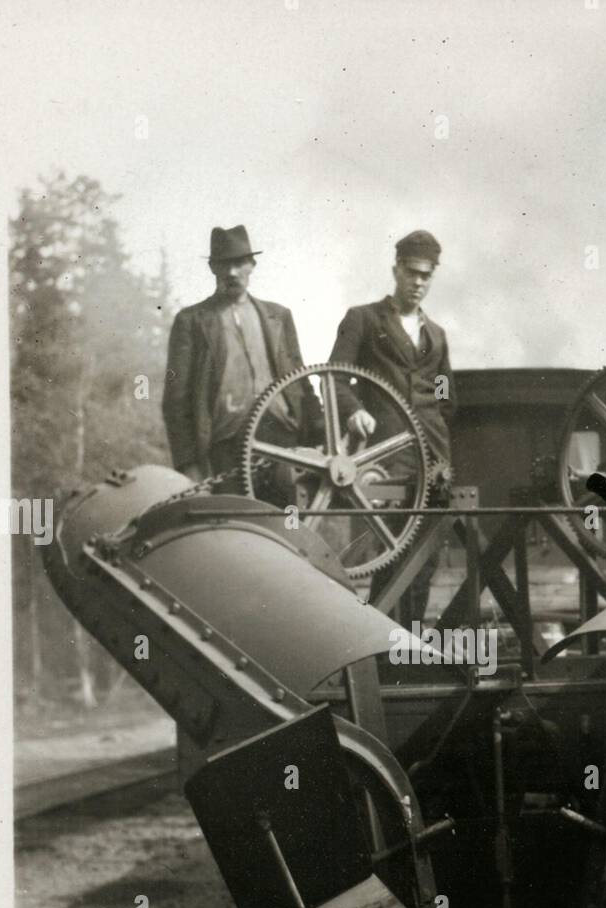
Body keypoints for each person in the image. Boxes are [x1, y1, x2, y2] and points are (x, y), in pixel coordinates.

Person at [329, 230, 455, 620]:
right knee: (388, 554)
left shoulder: (436, 335)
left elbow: (445, 395)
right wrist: (353, 410)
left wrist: (439, 437)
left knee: (425, 560)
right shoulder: (364, 320)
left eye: (426, 275)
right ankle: (384, 653)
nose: (418, 283)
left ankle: (410, 649)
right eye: (412, 273)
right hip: (384, 457)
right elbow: (335, 378)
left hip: (433, 462)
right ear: (396, 270)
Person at [163, 225, 321, 480]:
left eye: (239, 263)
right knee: (236, 517)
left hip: (284, 440)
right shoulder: (191, 321)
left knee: (289, 519)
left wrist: (319, 438)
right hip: (225, 446)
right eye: (224, 265)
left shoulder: (278, 317)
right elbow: (176, 400)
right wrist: (187, 463)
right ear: (213, 268)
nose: (232, 272)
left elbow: (301, 382)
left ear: (252, 265)